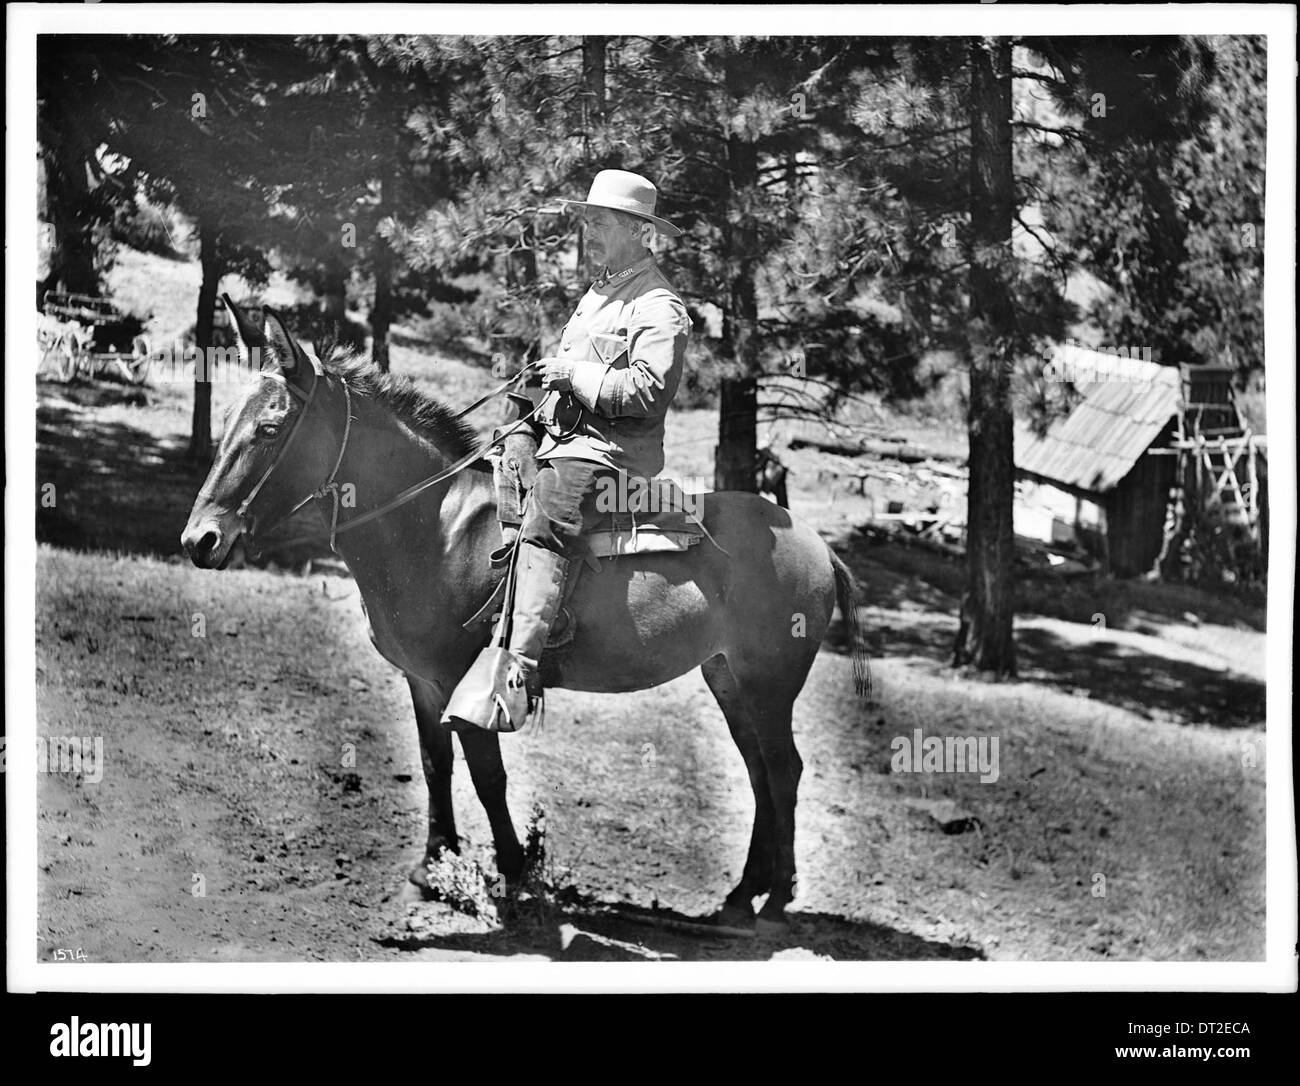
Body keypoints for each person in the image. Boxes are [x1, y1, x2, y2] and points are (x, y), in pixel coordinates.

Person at [443, 169, 692, 731]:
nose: (589, 231)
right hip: (567, 435)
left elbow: (649, 393)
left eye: (600, 222)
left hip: (610, 453)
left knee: (551, 508)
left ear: (637, 229)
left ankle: (516, 672)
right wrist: (534, 390)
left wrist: (573, 375)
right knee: (502, 464)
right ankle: (504, 601)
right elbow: (567, 374)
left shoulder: (659, 306)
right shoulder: (600, 291)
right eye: (588, 220)